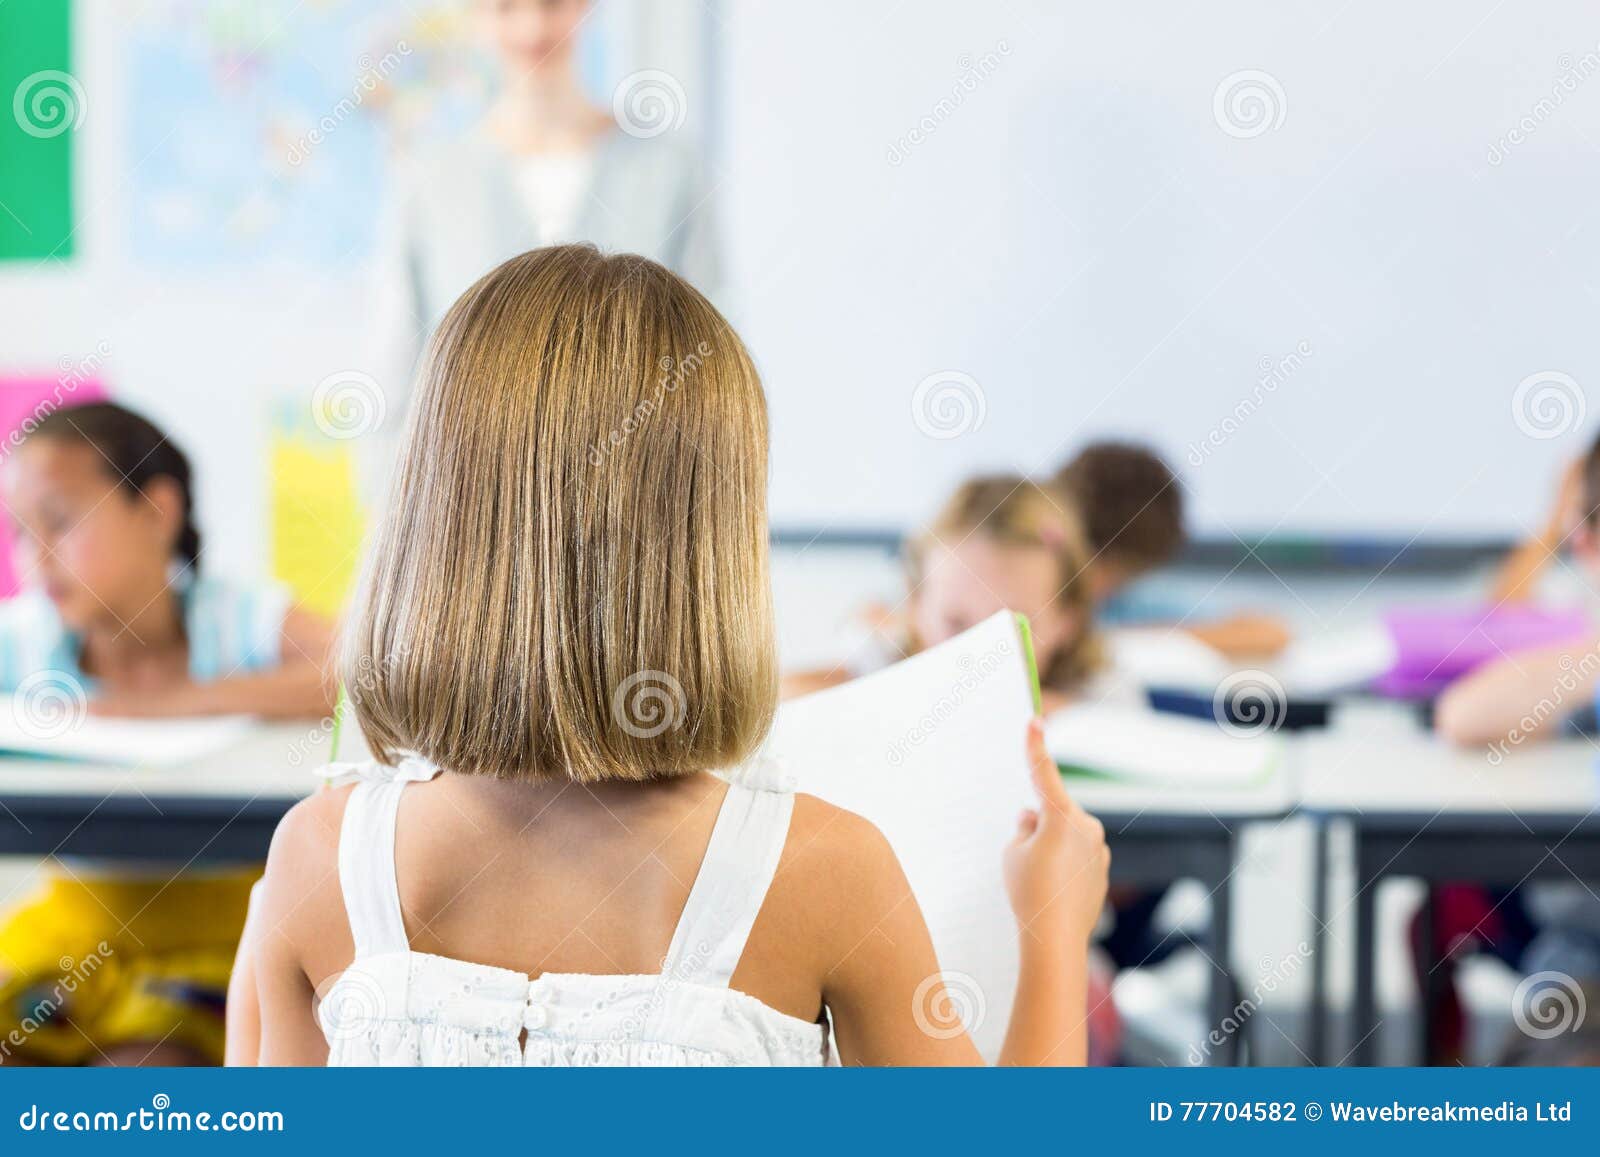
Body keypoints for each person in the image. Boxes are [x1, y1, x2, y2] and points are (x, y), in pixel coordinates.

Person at [248, 245, 1109, 1066]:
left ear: (430, 513)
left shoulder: (319, 856)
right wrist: (1053, 925)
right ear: (715, 547)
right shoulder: (824, 872)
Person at [0, 402, 334, 1066]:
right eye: (19, 531)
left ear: (156, 511)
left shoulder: (232, 617)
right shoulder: (28, 638)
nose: (36, 557)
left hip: (222, 936)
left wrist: (179, 702)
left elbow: (357, 664)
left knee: (141, 1081)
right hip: (75, 930)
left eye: (61, 524)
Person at [782, 475, 1114, 714]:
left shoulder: (1101, 690)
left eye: (1013, 628)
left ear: (1067, 622)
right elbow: (780, 697)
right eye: (955, 623)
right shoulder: (881, 660)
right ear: (914, 606)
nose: (981, 661)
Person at [1055, 441, 1290, 659]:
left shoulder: (1127, 603)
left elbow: (1271, 633)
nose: (1095, 583)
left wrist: (1117, 641)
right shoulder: (1031, 599)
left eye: (1120, 574)